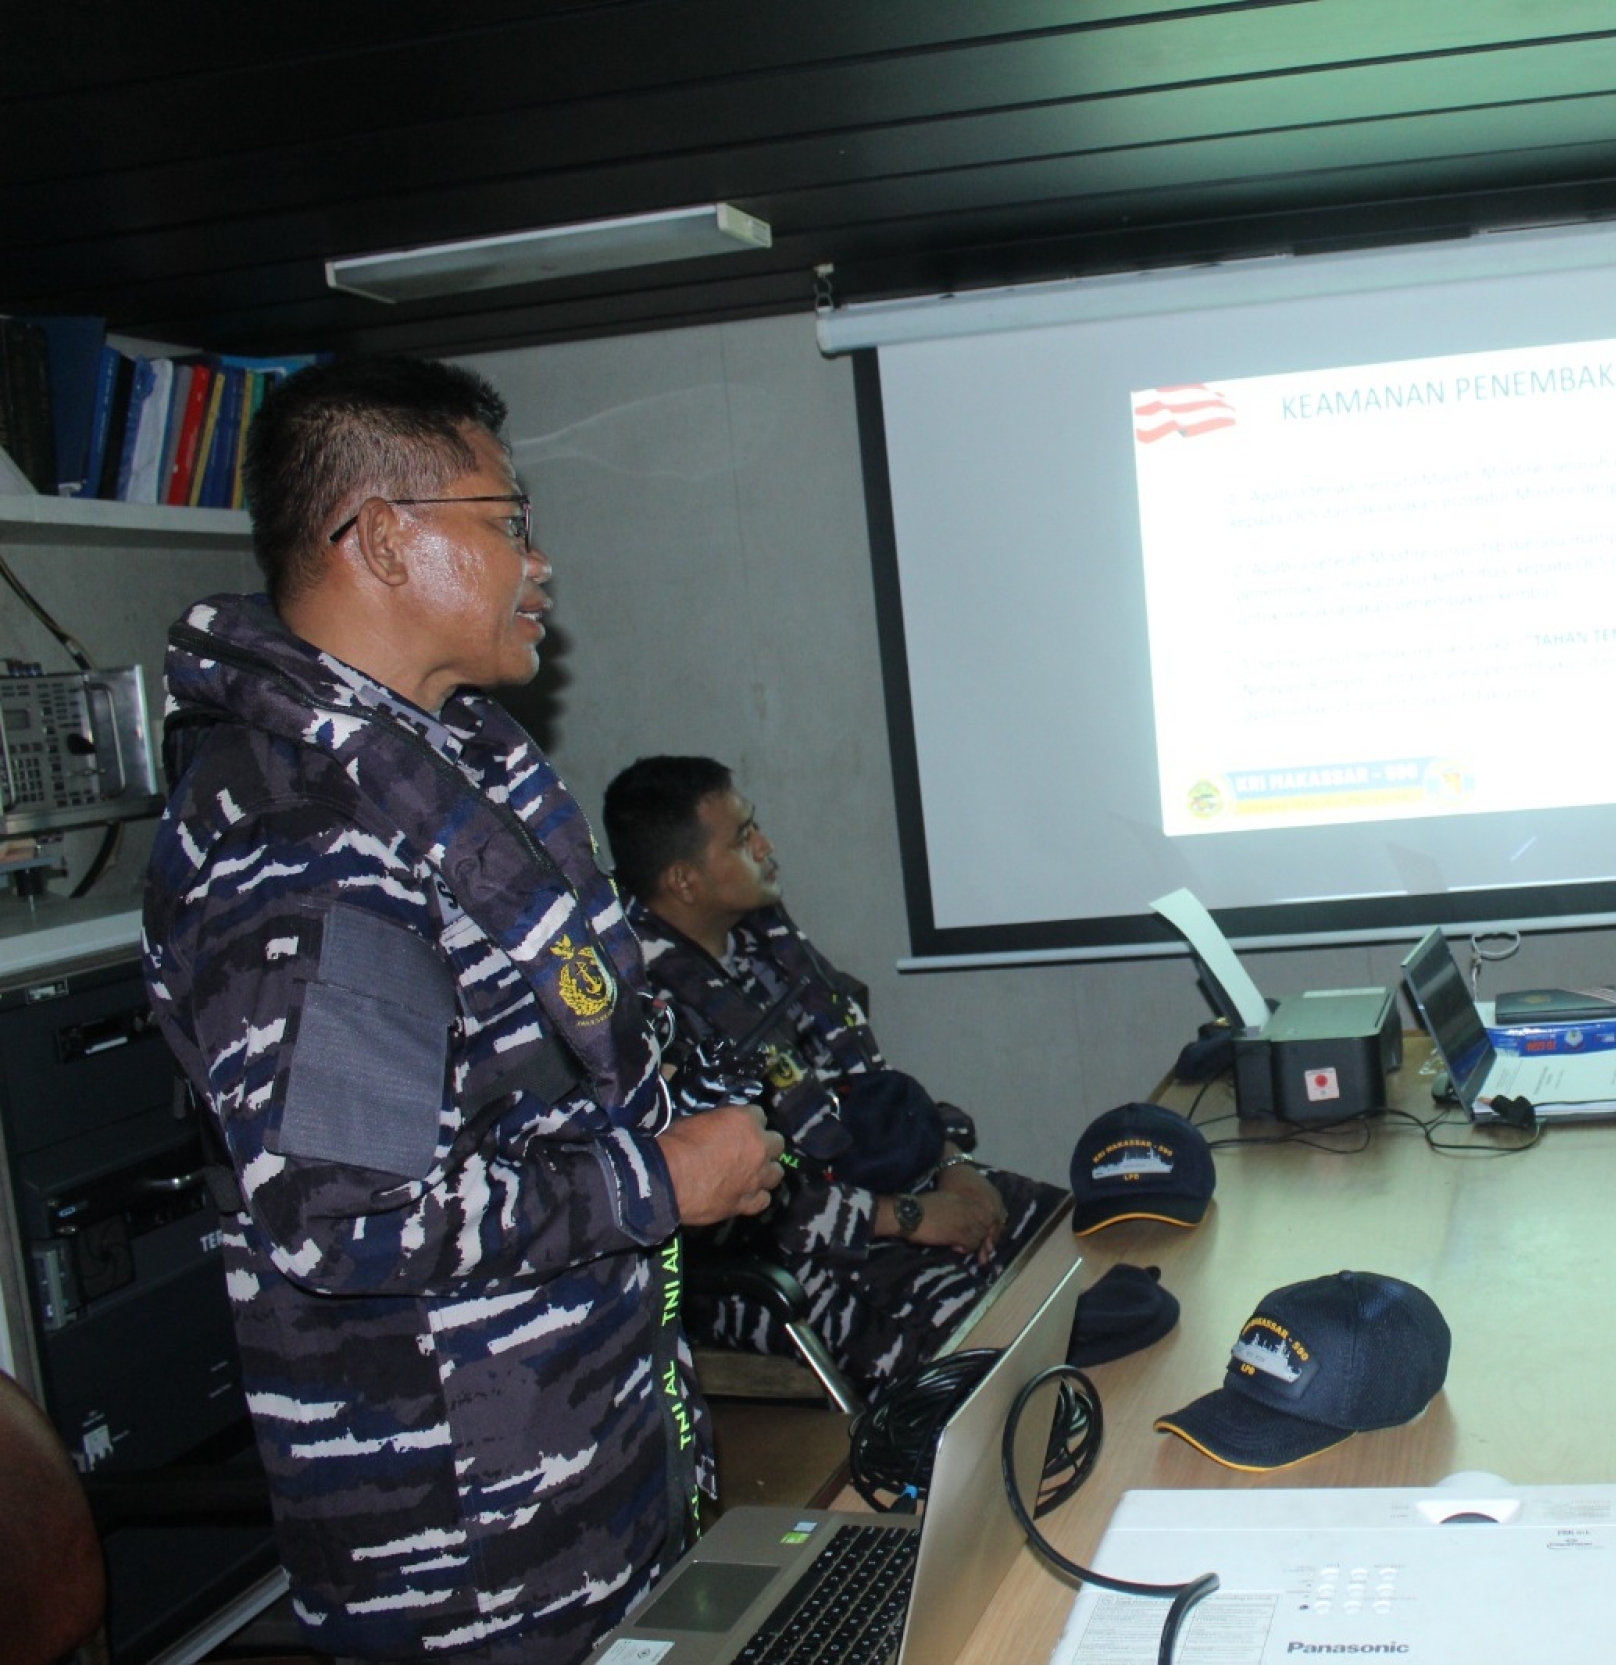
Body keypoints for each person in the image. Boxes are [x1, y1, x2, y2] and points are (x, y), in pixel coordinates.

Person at [140, 359, 786, 1662]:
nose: (538, 563)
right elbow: (350, 1216)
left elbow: (547, 1076)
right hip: (474, 1550)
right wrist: (658, 1181)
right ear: (384, 538)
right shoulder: (316, 839)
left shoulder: (433, 774)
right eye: (507, 520)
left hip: (577, 1457)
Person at [602, 755, 1066, 1391]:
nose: (765, 847)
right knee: (986, 1350)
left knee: (1073, 1240)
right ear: (683, 881)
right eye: (742, 838)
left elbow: (874, 1092)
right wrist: (912, 1217)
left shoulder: (763, 938)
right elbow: (736, 1202)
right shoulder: (641, 1011)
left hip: (888, 1193)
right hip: (779, 1249)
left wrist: (953, 1167)